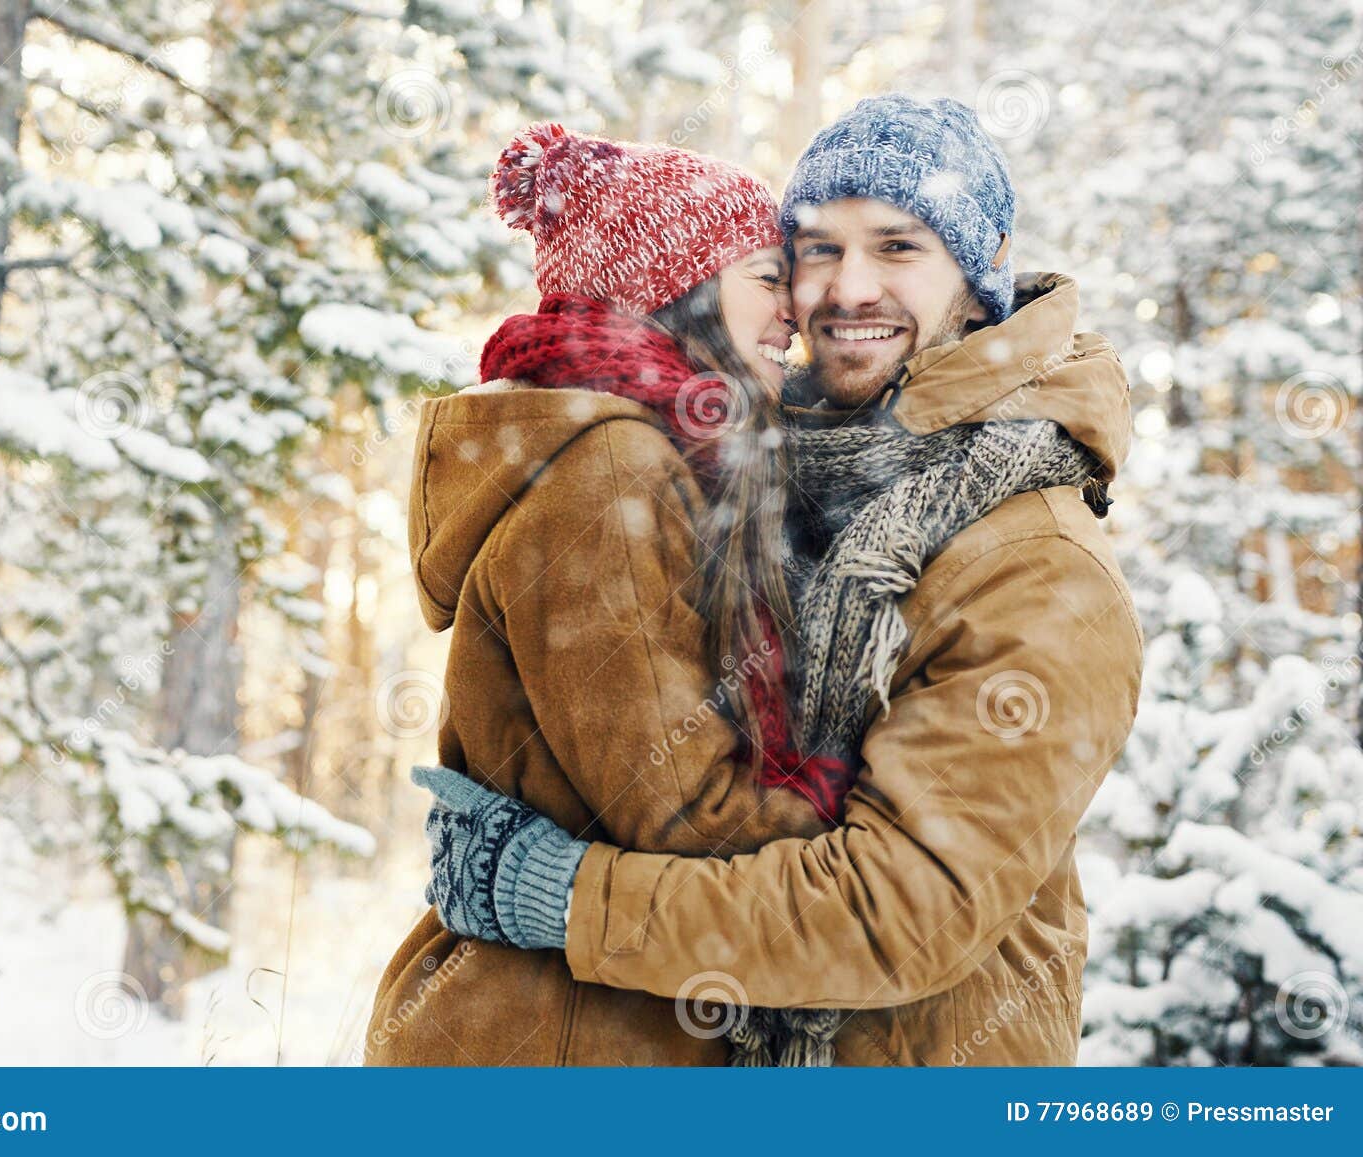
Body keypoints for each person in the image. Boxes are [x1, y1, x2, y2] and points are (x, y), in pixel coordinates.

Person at [414, 94, 1145, 1066]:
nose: (846, 288)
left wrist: (566, 894)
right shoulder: (736, 464)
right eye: (813, 248)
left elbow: (896, 913)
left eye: (896, 247)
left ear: (980, 271)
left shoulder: (1037, 565)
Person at [365, 123, 850, 1066]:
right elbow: (678, 805)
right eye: (764, 275)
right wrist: (875, 824)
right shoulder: (611, 471)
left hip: (576, 1019)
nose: (794, 308)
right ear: (677, 292)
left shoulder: (652, 456)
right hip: (554, 1035)